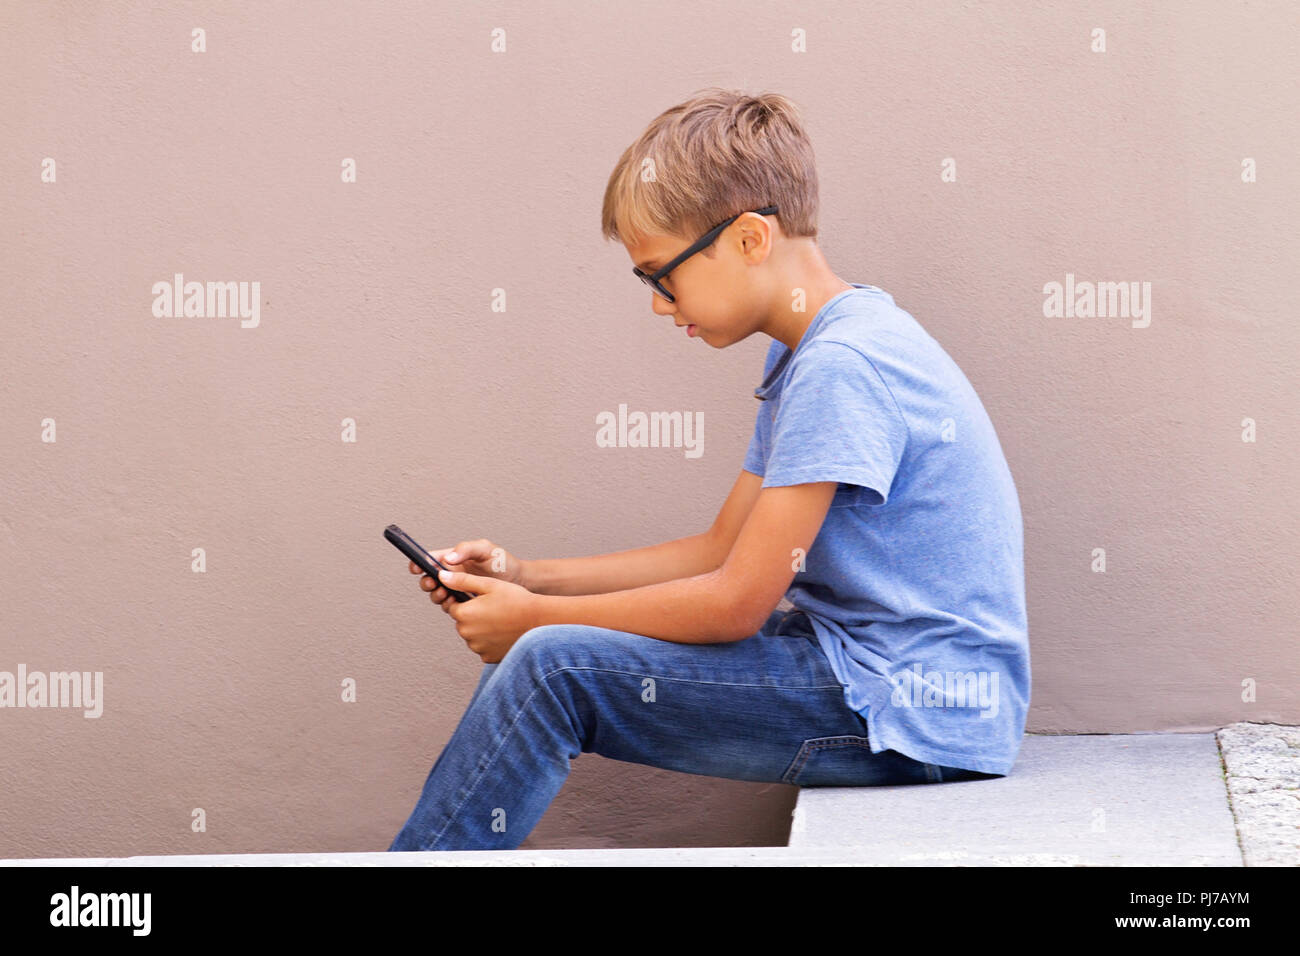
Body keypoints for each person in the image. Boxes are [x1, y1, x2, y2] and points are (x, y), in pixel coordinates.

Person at [388, 89, 1028, 852]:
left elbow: (735, 605)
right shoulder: (809, 351)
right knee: (543, 653)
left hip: (914, 712)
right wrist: (530, 578)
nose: (661, 305)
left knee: (549, 667)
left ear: (751, 239)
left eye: (662, 274)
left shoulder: (842, 366)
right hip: (875, 678)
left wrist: (533, 620)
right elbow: (725, 548)